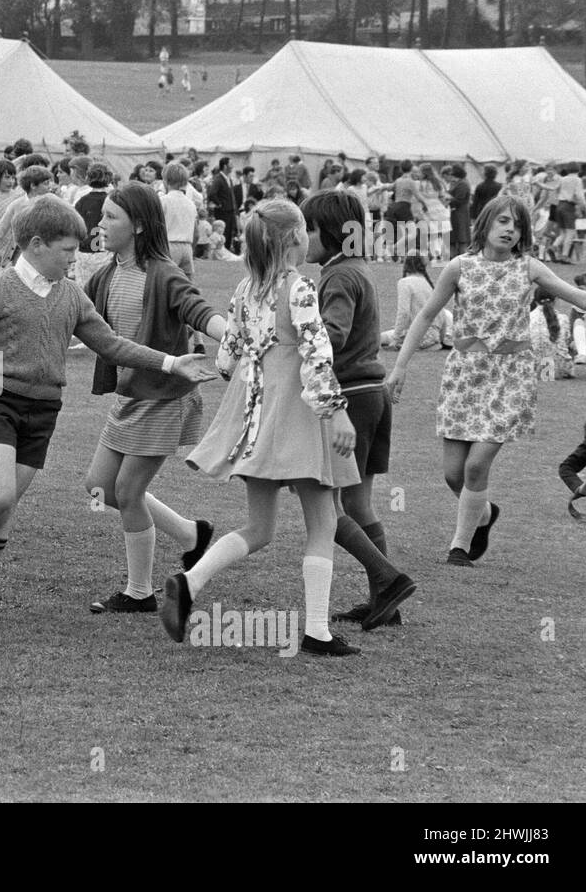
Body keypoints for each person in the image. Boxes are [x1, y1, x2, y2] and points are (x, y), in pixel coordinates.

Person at [0, 196, 211, 633]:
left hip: (43, 413)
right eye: (68, 250)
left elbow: (111, 344)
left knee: (3, 513)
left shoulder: (71, 295)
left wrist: (171, 362)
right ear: (36, 245)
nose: (77, 258)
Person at [166, 198, 362, 657]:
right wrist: (337, 411)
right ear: (295, 237)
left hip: (253, 420)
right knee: (322, 519)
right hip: (297, 414)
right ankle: (317, 631)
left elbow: (226, 360)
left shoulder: (244, 289)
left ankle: (190, 582)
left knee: (260, 527)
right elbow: (316, 353)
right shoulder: (300, 288)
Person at [384, 196, 586, 566]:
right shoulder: (459, 267)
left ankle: (459, 547)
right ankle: (483, 515)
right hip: (464, 374)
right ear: (484, 225)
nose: (509, 229)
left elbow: (578, 295)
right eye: (502, 221)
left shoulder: (529, 268)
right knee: (454, 475)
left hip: (510, 377)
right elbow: (425, 317)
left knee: (475, 467)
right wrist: (400, 366)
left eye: (516, 225)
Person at [82, 184, 227, 614]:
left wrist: (231, 335)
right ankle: (190, 534)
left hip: (165, 396)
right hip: (131, 396)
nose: (101, 225)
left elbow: (198, 309)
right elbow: (73, 310)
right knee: (98, 487)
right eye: (102, 216)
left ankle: (139, 592)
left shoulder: (163, 272)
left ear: (139, 225)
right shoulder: (105, 274)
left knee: (127, 491)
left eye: (111, 218)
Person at [301, 192, 417, 631]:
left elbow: (332, 335)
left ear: (330, 233)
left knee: (324, 506)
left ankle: (387, 580)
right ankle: (385, 601)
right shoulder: (358, 270)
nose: (304, 237)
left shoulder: (337, 278)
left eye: (309, 229)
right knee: (357, 502)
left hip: (347, 397)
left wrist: (294, 338)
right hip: (372, 393)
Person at [380, 254, 453, 350]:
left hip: (416, 336)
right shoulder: (428, 284)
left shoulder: (404, 283)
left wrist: (395, 338)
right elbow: (441, 312)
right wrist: (441, 338)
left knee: (378, 338)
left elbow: (404, 313)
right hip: (433, 337)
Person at [0, 164, 55, 266]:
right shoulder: (16, 205)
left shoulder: (53, 204)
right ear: (33, 186)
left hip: (43, 254)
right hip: (19, 255)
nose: (50, 186)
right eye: (46, 183)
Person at [160, 162, 198, 277]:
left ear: (166, 181)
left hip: (170, 245)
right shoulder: (191, 204)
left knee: (165, 280)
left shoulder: (163, 201)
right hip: (187, 246)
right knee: (186, 283)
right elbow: (196, 233)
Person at [74, 162, 112, 255]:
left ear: (88, 177)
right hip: (105, 250)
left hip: (84, 250)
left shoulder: (81, 201)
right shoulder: (111, 201)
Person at [553, 163, 586, 264]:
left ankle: (553, 246)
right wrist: (584, 206)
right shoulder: (577, 180)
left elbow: (556, 189)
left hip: (560, 205)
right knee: (570, 232)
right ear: (578, 169)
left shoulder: (562, 179)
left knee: (563, 232)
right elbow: (579, 195)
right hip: (569, 207)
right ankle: (565, 256)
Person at [208, 156, 238, 250]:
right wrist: (220, 204)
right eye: (231, 164)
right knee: (223, 234)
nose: (232, 167)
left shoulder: (228, 179)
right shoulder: (219, 179)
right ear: (225, 166)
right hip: (223, 212)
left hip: (230, 211)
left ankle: (227, 252)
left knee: (229, 234)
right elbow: (212, 193)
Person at [447, 165, 472, 257]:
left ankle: (463, 257)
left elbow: (459, 200)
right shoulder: (457, 183)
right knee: (453, 239)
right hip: (455, 214)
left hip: (460, 214)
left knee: (462, 238)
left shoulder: (462, 184)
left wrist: (447, 198)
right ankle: (454, 258)